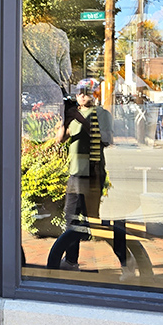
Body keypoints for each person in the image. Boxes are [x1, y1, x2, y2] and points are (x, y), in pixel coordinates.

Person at [46, 79, 113, 271]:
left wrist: (83, 121)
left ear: (93, 94)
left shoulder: (102, 114)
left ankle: (126, 258)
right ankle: (71, 261)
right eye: (78, 93)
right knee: (71, 218)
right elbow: (60, 140)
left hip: (92, 174)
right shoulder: (72, 115)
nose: (81, 96)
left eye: (86, 92)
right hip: (75, 174)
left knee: (93, 222)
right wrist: (64, 119)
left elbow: (107, 140)